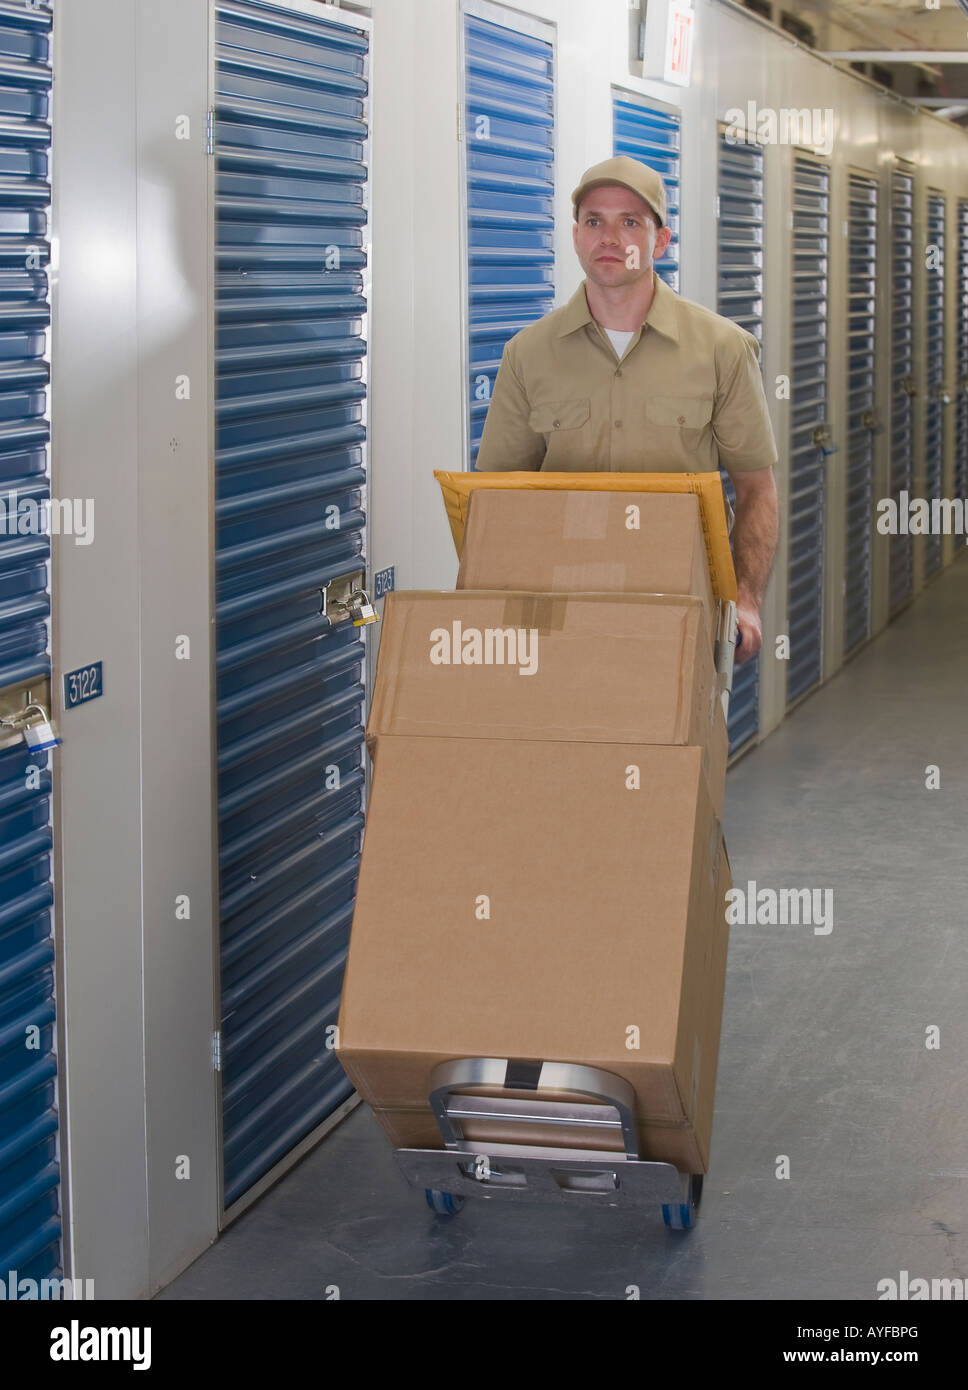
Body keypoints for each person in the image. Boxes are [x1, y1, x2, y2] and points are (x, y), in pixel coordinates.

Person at [475, 155, 780, 663]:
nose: (609, 238)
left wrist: (746, 600)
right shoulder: (528, 354)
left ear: (660, 242)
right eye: (594, 221)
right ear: (576, 237)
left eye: (630, 223)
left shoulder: (722, 349)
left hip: (685, 611)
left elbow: (756, 488)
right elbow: (498, 495)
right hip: (559, 611)